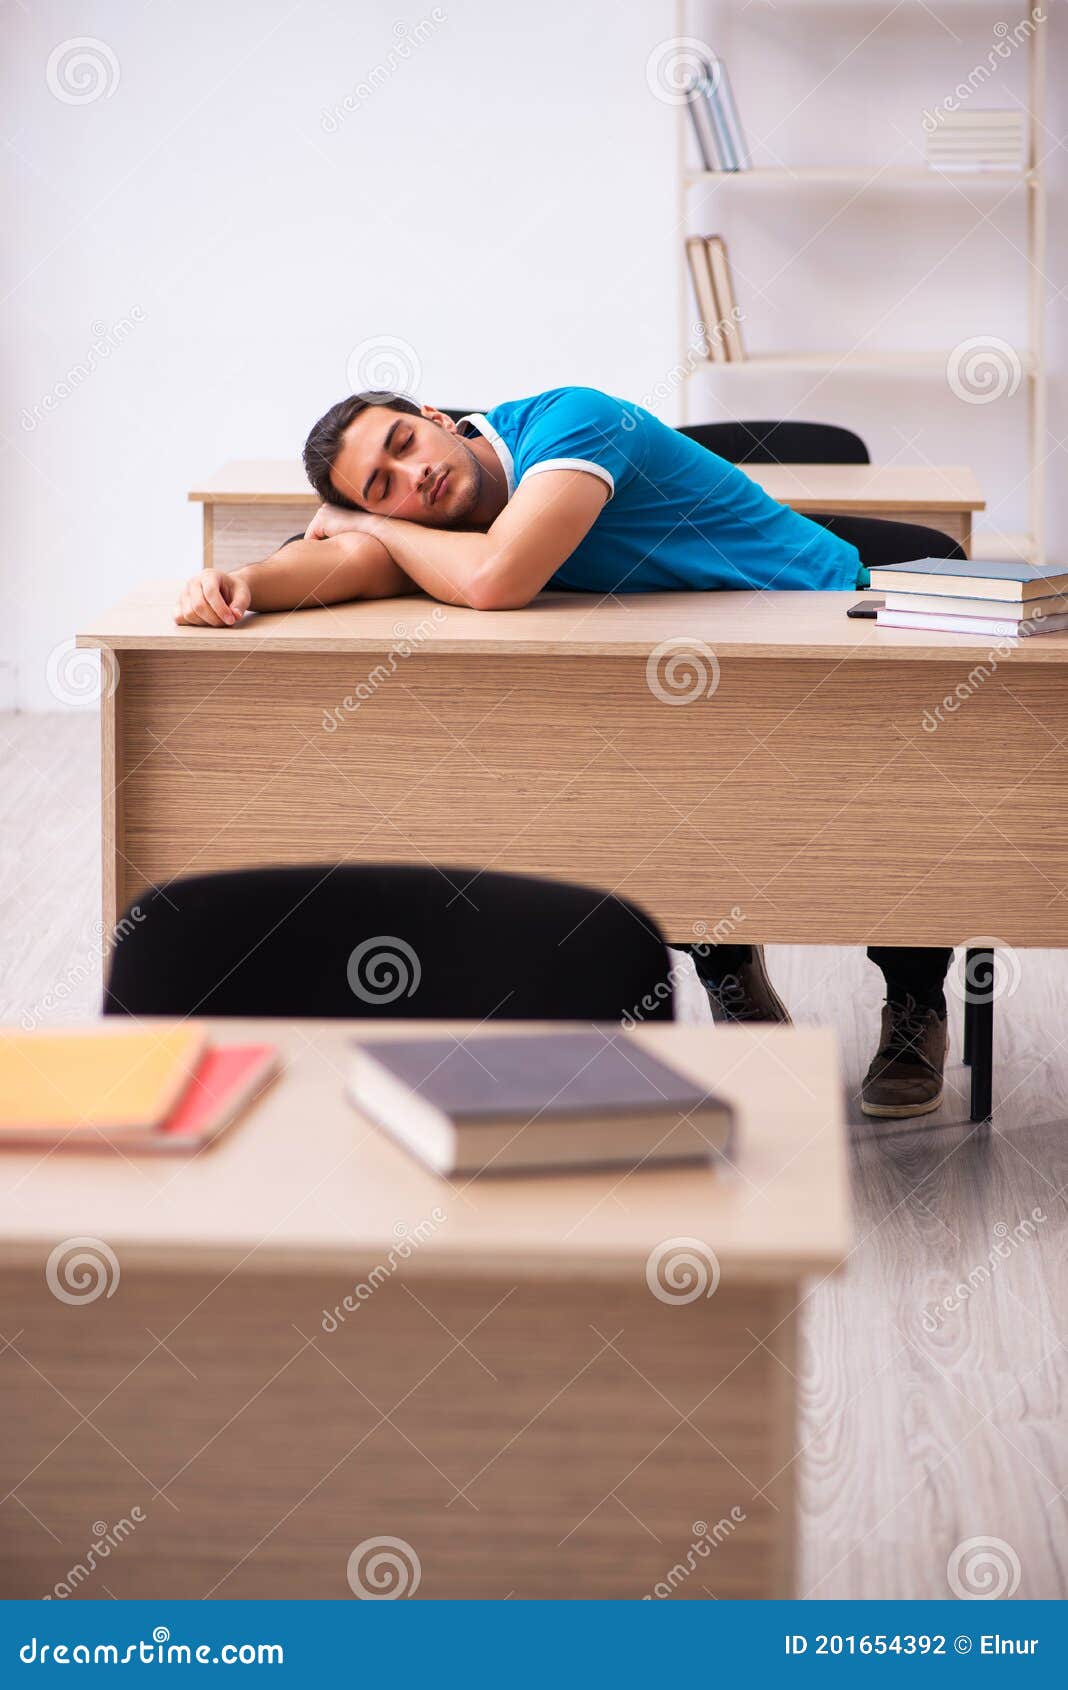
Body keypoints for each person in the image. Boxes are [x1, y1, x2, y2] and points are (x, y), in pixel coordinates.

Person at [174, 386, 951, 1117]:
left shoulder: (569, 423)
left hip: (827, 627)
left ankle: (916, 999)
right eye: (382, 487)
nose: (417, 476)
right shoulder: (436, 521)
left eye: (405, 442)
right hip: (683, 672)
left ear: (437, 415)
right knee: (622, 777)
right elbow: (338, 566)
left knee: (893, 817)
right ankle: (728, 972)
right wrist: (236, 581)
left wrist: (373, 523)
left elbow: (494, 580)